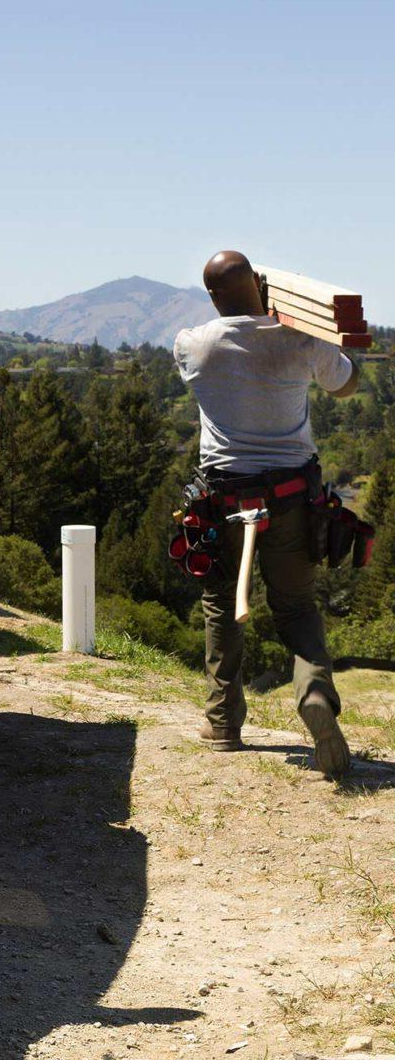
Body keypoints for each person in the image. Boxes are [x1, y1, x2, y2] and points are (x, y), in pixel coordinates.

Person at [174, 251, 362, 776]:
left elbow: (215, 342)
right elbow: (346, 385)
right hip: (292, 498)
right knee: (297, 608)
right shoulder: (300, 340)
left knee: (220, 604)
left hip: (225, 500)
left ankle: (223, 723)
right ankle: (315, 696)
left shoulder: (193, 344)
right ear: (259, 283)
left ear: (213, 296)